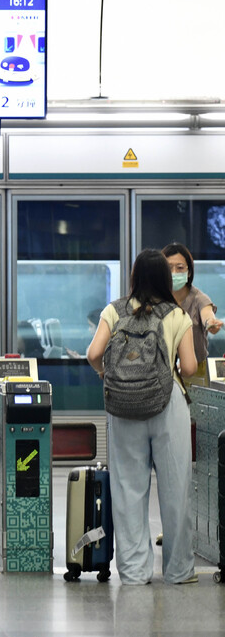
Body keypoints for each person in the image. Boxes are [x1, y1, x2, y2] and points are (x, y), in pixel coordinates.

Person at [86, 248, 197, 585]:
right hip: (168, 405)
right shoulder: (177, 315)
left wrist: (110, 375)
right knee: (176, 489)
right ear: (166, 279)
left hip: (122, 408)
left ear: (134, 277)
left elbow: (93, 354)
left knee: (128, 490)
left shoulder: (114, 310)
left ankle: (134, 573)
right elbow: (190, 367)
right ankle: (179, 571)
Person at [162, 242, 223, 388]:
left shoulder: (199, 299)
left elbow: (208, 316)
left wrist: (211, 324)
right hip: (161, 370)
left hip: (195, 372)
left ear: (189, 272)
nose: (174, 273)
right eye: (169, 268)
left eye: (180, 268)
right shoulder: (156, 298)